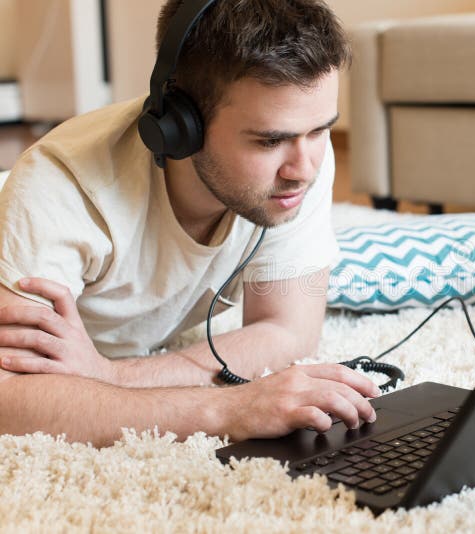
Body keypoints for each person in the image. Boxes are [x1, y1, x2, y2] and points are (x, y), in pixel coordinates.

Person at [0, 0, 379, 447]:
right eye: (269, 141)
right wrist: (231, 409)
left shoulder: (300, 157)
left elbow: (288, 329)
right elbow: (11, 399)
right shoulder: (58, 190)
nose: (304, 168)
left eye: (321, 130)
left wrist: (109, 376)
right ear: (180, 128)